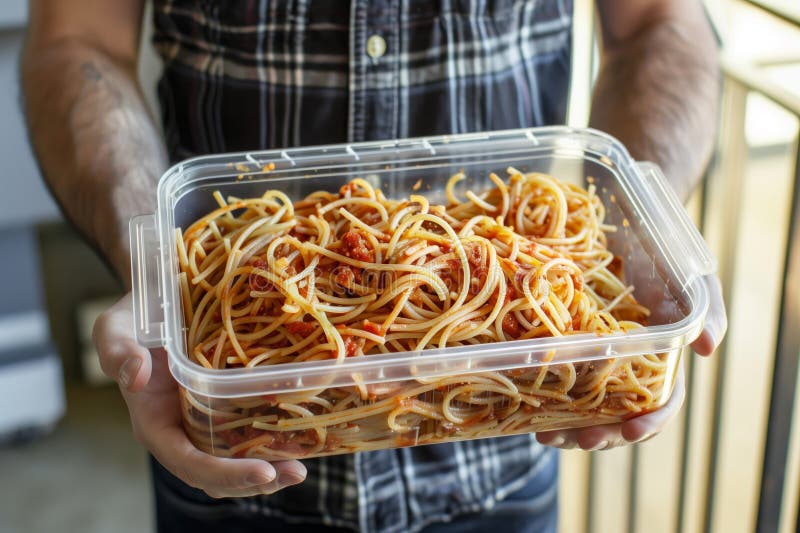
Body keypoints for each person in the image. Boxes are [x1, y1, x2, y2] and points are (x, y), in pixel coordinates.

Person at [21, 1, 727, 531]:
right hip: (230, 433)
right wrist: (151, 266)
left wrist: (646, 231)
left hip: (513, 416)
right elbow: (73, 42)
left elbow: (660, 24)